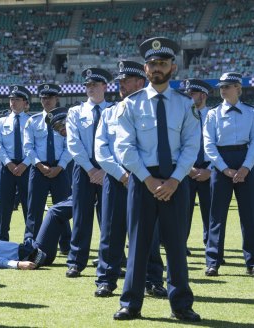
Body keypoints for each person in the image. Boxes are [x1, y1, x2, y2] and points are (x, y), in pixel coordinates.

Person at [114, 37, 201, 322]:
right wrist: (148, 180)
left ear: (173, 67)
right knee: (138, 244)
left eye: (163, 63)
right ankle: (130, 304)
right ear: (145, 68)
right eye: (152, 64)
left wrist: (175, 180)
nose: (157, 68)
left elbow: (191, 145)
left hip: (176, 180)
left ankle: (181, 305)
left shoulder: (185, 105)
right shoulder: (131, 104)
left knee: (176, 245)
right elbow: (124, 147)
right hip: (143, 181)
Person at [94, 60, 165, 298]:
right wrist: (122, 174)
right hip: (117, 179)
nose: (121, 85)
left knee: (149, 233)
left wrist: (141, 175)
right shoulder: (110, 112)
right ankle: (106, 279)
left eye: (126, 80)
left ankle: (153, 280)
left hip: (146, 180)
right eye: (120, 81)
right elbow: (101, 149)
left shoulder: (154, 110)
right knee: (111, 232)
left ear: (140, 82)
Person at [203, 72, 254, 277]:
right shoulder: (212, 114)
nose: (223, 90)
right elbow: (208, 145)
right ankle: (213, 261)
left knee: (249, 215)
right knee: (216, 216)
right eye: (221, 86)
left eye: (228, 86)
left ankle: (251, 262)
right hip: (221, 164)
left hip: (246, 162)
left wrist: (245, 168)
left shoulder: (251, 113)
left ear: (238, 89)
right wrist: (225, 169)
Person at [65, 67, 114, 278]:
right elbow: (73, 143)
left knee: (110, 218)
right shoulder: (75, 112)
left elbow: (118, 142)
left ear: (105, 86)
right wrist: (92, 169)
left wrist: (105, 168)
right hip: (84, 169)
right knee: (81, 216)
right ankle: (76, 262)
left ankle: (112, 259)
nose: (90, 88)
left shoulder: (114, 110)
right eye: (88, 85)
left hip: (109, 170)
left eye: (95, 85)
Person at [23, 83, 72, 253]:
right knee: (34, 209)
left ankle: (66, 244)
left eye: (50, 97)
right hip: (38, 169)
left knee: (64, 208)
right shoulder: (33, 120)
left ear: (56, 98)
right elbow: (28, 146)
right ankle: (31, 243)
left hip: (60, 169)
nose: (46, 101)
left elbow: (69, 146)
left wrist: (60, 166)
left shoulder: (66, 120)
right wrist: (39, 165)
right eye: (43, 98)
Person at [0, 85, 32, 241]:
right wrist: (8, 163)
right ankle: (1, 238)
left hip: (26, 167)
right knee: (3, 205)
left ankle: (31, 238)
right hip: (6, 167)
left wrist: (25, 163)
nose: (13, 102)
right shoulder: (2, 122)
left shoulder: (31, 121)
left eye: (17, 99)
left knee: (29, 205)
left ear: (25, 103)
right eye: (11, 99)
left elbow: (35, 146)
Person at [184, 78, 213, 250]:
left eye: (192, 93)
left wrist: (209, 170)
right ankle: (180, 245)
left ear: (203, 95)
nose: (188, 96)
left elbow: (218, 145)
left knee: (211, 214)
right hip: (187, 172)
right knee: (183, 213)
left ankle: (212, 250)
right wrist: (188, 168)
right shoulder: (183, 116)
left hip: (210, 172)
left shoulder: (214, 116)